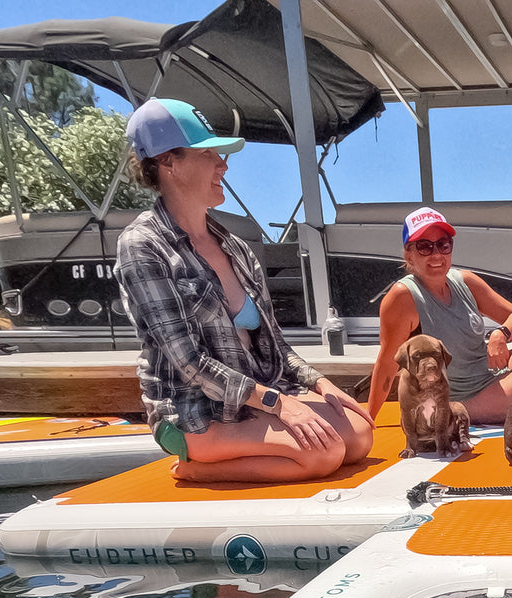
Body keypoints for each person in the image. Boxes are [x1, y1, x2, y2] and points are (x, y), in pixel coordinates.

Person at [115, 98, 372, 484]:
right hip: (195, 412)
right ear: (169, 162)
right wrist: (279, 404)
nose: (223, 164)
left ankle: (245, 450)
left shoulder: (234, 247)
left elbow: (274, 344)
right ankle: (194, 468)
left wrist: (319, 382)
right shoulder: (142, 245)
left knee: (360, 436)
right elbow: (189, 363)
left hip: (256, 402)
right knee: (326, 454)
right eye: (209, 153)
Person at [368, 207, 512, 422]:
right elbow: (387, 365)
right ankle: (455, 413)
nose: (436, 254)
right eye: (424, 247)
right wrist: (370, 419)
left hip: (492, 378)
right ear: (409, 255)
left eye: (443, 245)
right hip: (459, 397)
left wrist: (500, 334)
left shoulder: (466, 281)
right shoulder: (402, 297)